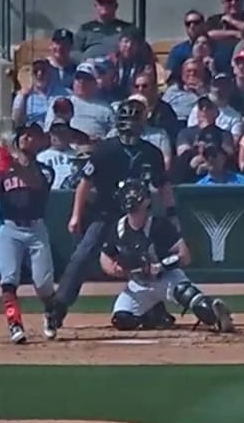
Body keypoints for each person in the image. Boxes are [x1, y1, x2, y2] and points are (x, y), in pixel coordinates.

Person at [47, 99, 170, 337]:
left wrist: (171, 213)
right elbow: (85, 183)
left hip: (138, 216)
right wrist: (76, 216)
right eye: (128, 118)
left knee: (150, 258)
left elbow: (163, 185)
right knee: (82, 256)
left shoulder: (151, 153)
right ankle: (57, 310)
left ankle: (153, 308)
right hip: (106, 214)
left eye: (136, 118)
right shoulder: (106, 150)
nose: (131, 124)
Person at [100, 180, 233, 333]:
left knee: (193, 300)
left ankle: (218, 316)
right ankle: (154, 315)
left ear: (147, 200)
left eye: (136, 195)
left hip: (166, 278)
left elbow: (184, 256)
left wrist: (159, 267)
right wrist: (114, 270)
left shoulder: (159, 225)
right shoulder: (118, 228)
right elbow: (105, 256)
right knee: (122, 319)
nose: (131, 199)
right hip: (138, 285)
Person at [0, 126, 58, 344]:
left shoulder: (45, 169)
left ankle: (50, 314)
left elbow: (37, 184)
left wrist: (15, 165)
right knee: (8, 279)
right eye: (24, 134)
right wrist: (0, 173)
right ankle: (14, 323)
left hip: (36, 229)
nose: (27, 138)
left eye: (32, 135)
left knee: (43, 283)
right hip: (9, 229)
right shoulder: (5, 167)